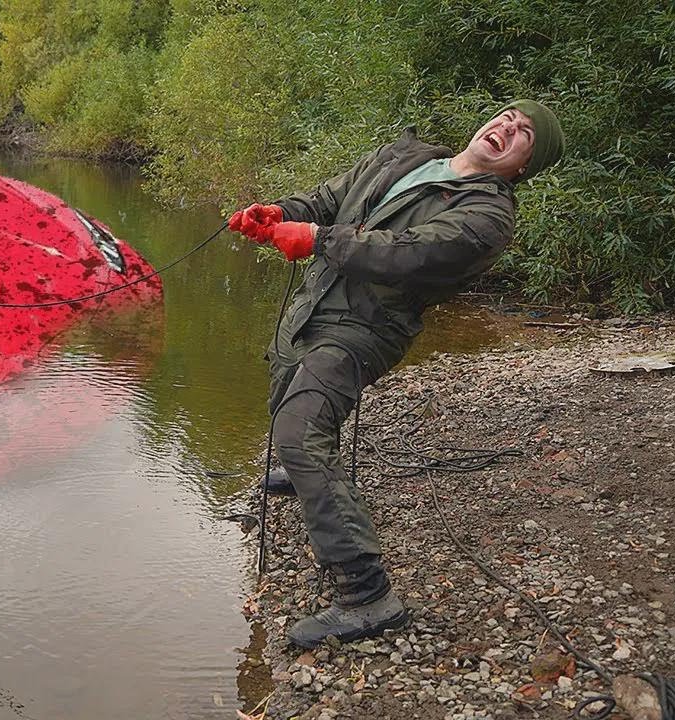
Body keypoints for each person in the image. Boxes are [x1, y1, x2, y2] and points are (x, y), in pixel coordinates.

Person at [227, 100, 565, 648]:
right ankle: (305, 477)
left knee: (298, 432)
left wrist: (317, 239)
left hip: (366, 327)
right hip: (315, 301)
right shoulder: (405, 155)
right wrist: (279, 211)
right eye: (506, 116)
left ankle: (367, 595)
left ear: (525, 164)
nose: (507, 127)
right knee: (285, 386)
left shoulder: (488, 217)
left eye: (524, 133)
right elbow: (331, 198)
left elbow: (404, 253)